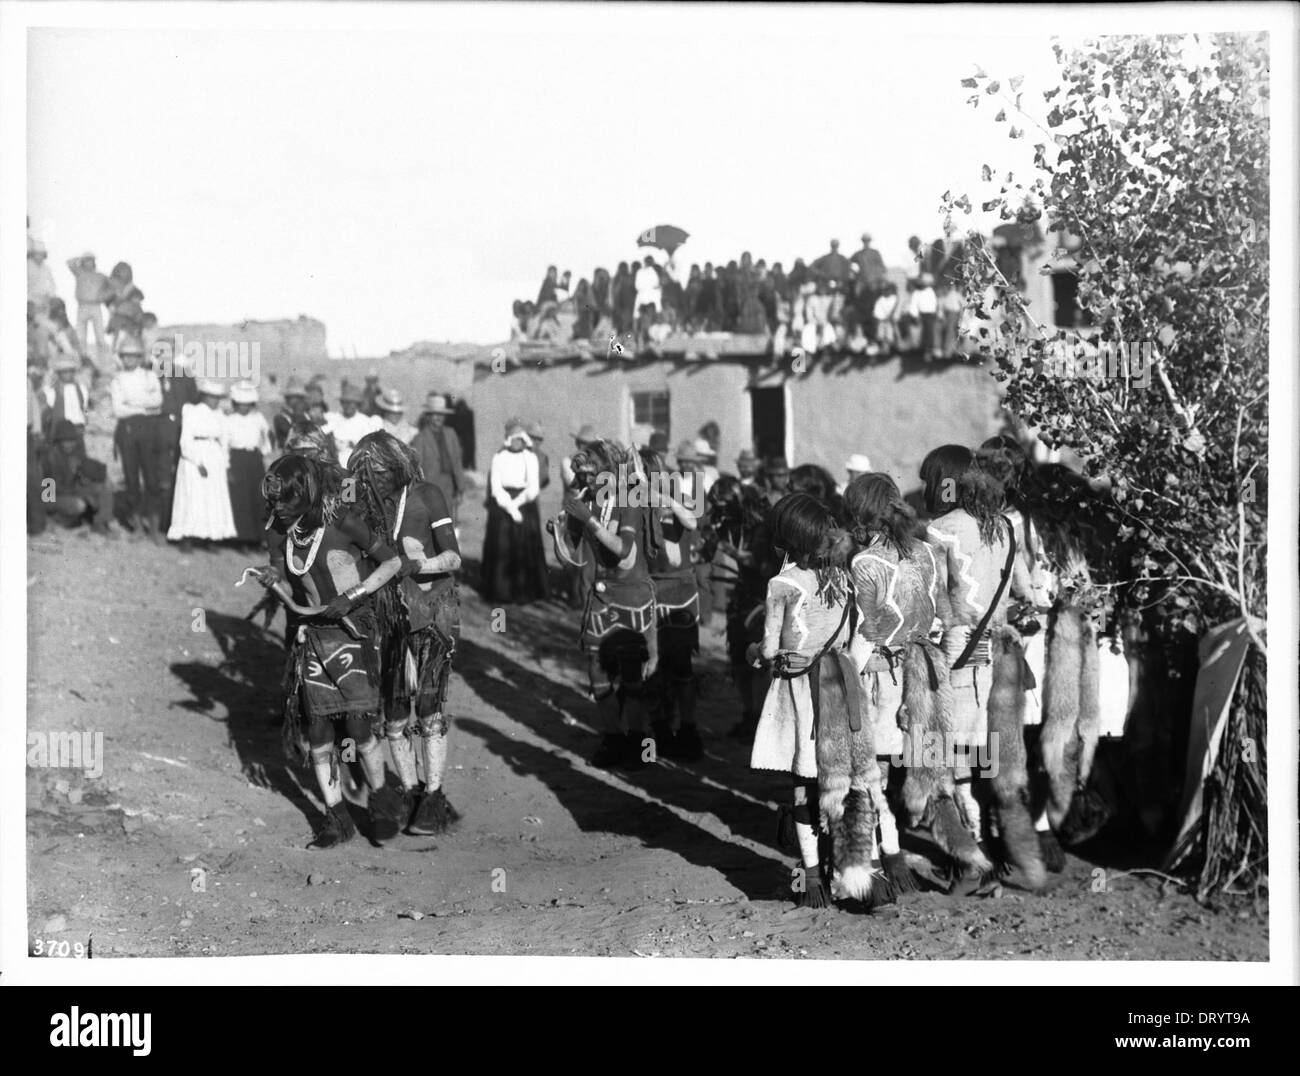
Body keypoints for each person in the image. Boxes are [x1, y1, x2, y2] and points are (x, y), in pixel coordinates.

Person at [251, 453, 405, 847]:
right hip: (314, 633)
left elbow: (391, 562)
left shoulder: (343, 524)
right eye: (274, 502)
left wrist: (353, 595)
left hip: (355, 630)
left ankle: (382, 801)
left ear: (305, 494)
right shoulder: (278, 530)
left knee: (356, 723)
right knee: (317, 727)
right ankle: (335, 817)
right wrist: (273, 578)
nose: (278, 509)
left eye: (286, 502)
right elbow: (284, 574)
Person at [923, 443, 1042, 892]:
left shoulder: (940, 531)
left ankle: (971, 862)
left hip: (957, 655)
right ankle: (1007, 858)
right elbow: (1028, 599)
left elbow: (931, 605)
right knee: (993, 760)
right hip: (1003, 658)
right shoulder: (1007, 530)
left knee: (947, 759)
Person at [841, 473, 954, 902]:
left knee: (872, 777)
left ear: (861, 516)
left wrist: (844, 678)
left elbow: (867, 634)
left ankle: (875, 874)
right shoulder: (927, 551)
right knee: (928, 771)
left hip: (882, 679)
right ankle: (947, 862)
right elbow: (940, 616)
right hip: (924, 675)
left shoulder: (865, 563)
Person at [349, 431, 463, 835]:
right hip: (390, 619)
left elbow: (454, 557)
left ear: (396, 466)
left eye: (379, 471)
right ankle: (412, 792)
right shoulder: (369, 507)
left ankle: (433, 795)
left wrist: (419, 566)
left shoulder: (427, 494)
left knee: (429, 708)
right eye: (368, 473)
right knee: (395, 715)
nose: (374, 479)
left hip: (433, 612)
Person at [747, 493, 857, 908]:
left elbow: (771, 649)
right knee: (838, 784)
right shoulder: (842, 577)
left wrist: (751, 652)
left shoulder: (783, 583)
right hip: (840, 687)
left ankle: (812, 882)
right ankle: (847, 873)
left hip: (800, 694)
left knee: (802, 786)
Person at [550, 439, 659, 768]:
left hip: (631, 596)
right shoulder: (586, 501)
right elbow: (571, 562)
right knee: (596, 670)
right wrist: (557, 534)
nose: (585, 479)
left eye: (591, 472)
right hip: (600, 595)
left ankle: (637, 742)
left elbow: (623, 551)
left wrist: (590, 521)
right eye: (582, 474)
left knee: (631, 675)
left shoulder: (629, 498)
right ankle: (612, 738)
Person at [640, 446, 703, 761]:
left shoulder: (679, 493)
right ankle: (660, 728)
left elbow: (691, 522)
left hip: (679, 590)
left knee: (680, 664)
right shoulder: (634, 501)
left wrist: (664, 499)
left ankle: (689, 729)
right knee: (650, 665)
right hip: (650, 589)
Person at [482, 420, 548, 603]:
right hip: (503, 505)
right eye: (514, 439)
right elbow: (496, 487)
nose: (517, 442)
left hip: (525, 504)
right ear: (508, 439)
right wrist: (510, 508)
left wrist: (517, 505)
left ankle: (525, 591)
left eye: (520, 439)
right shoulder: (499, 458)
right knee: (502, 546)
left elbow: (533, 488)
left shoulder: (530, 457)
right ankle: (501, 592)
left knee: (525, 546)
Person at [168, 379, 237, 547]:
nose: (214, 400)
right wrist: (197, 462)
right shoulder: (192, 411)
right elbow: (185, 441)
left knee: (213, 498)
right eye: (211, 397)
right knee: (193, 496)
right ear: (204, 397)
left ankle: (210, 536)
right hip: (195, 456)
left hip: (215, 456)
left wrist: (226, 465)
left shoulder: (221, 416)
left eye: (217, 397)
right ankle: (187, 537)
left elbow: (225, 443)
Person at [110, 340, 165, 541]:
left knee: (151, 477)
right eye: (125, 356)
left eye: (133, 356)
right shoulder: (117, 380)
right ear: (121, 358)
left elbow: (158, 401)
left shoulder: (150, 376)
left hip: (148, 429)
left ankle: (154, 527)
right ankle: (138, 526)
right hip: (127, 430)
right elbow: (118, 410)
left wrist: (132, 403)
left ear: (140, 358)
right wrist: (143, 407)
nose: (129, 360)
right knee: (131, 478)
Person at [41, 420, 115, 535]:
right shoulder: (50, 458)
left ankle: (100, 523)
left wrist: (83, 479)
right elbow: (49, 492)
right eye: (66, 441)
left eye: (72, 440)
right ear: (59, 441)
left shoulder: (75, 452)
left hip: (71, 491)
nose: (70, 444)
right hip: (53, 498)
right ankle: (57, 519)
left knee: (106, 484)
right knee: (80, 505)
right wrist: (82, 493)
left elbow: (84, 472)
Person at [226, 380, 273, 546]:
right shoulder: (229, 420)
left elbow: (266, 438)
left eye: (247, 404)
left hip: (254, 458)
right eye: (240, 404)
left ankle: (258, 537)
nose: (243, 408)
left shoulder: (258, 418)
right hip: (237, 459)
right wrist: (228, 467)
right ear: (234, 404)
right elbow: (225, 444)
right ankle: (242, 539)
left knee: (257, 497)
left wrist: (265, 453)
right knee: (240, 498)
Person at [412, 393, 465, 521]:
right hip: (430, 487)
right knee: (432, 523)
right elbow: (417, 469)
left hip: (448, 485)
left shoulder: (451, 434)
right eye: (435, 414)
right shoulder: (420, 438)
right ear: (428, 416)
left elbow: (457, 463)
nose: (438, 418)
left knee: (448, 523)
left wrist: (460, 489)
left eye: (441, 415)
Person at [66, 252, 112, 362]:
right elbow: (69, 262)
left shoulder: (100, 276)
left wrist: (104, 296)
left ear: (94, 263)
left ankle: (104, 360)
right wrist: (80, 257)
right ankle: (83, 360)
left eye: (91, 261)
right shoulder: (79, 273)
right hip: (82, 306)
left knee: (100, 336)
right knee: (80, 336)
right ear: (83, 262)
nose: (89, 263)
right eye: (87, 261)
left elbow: (113, 286)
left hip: (96, 306)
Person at [324, 382, 380, 467]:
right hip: (334, 466)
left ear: (357, 404)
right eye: (345, 402)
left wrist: (354, 445)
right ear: (342, 403)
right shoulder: (334, 418)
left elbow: (370, 448)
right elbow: (322, 433)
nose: (348, 406)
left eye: (352, 403)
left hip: (357, 467)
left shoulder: (365, 422)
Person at [43, 354, 91, 438]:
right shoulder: (54, 390)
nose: (68, 374)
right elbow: (50, 404)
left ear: (73, 372)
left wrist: (86, 417)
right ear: (59, 374)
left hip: (78, 425)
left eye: (70, 371)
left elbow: (85, 406)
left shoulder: (81, 388)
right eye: (64, 372)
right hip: (62, 426)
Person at [634, 255, 663, 347]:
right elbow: (638, 287)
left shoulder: (658, 271)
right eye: (648, 262)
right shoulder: (641, 273)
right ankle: (643, 345)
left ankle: (655, 345)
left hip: (655, 304)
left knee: (655, 325)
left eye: (650, 262)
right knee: (644, 326)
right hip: (644, 304)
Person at [273, 378, 309, 450]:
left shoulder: (306, 415)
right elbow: (293, 433)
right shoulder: (280, 417)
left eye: (300, 398)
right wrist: (298, 413)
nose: (298, 400)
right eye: (295, 397)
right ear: (287, 398)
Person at [27, 239, 58, 314]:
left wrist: (51, 295)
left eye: (41, 254)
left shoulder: (47, 268)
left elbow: (52, 283)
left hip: (45, 301)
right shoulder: (27, 267)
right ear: (32, 254)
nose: (39, 256)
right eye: (37, 254)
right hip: (30, 301)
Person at [526, 422, 551, 490]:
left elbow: (544, 481)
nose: (536, 441)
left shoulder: (543, 457)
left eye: (539, 439)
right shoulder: (513, 453)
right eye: (533, 437)